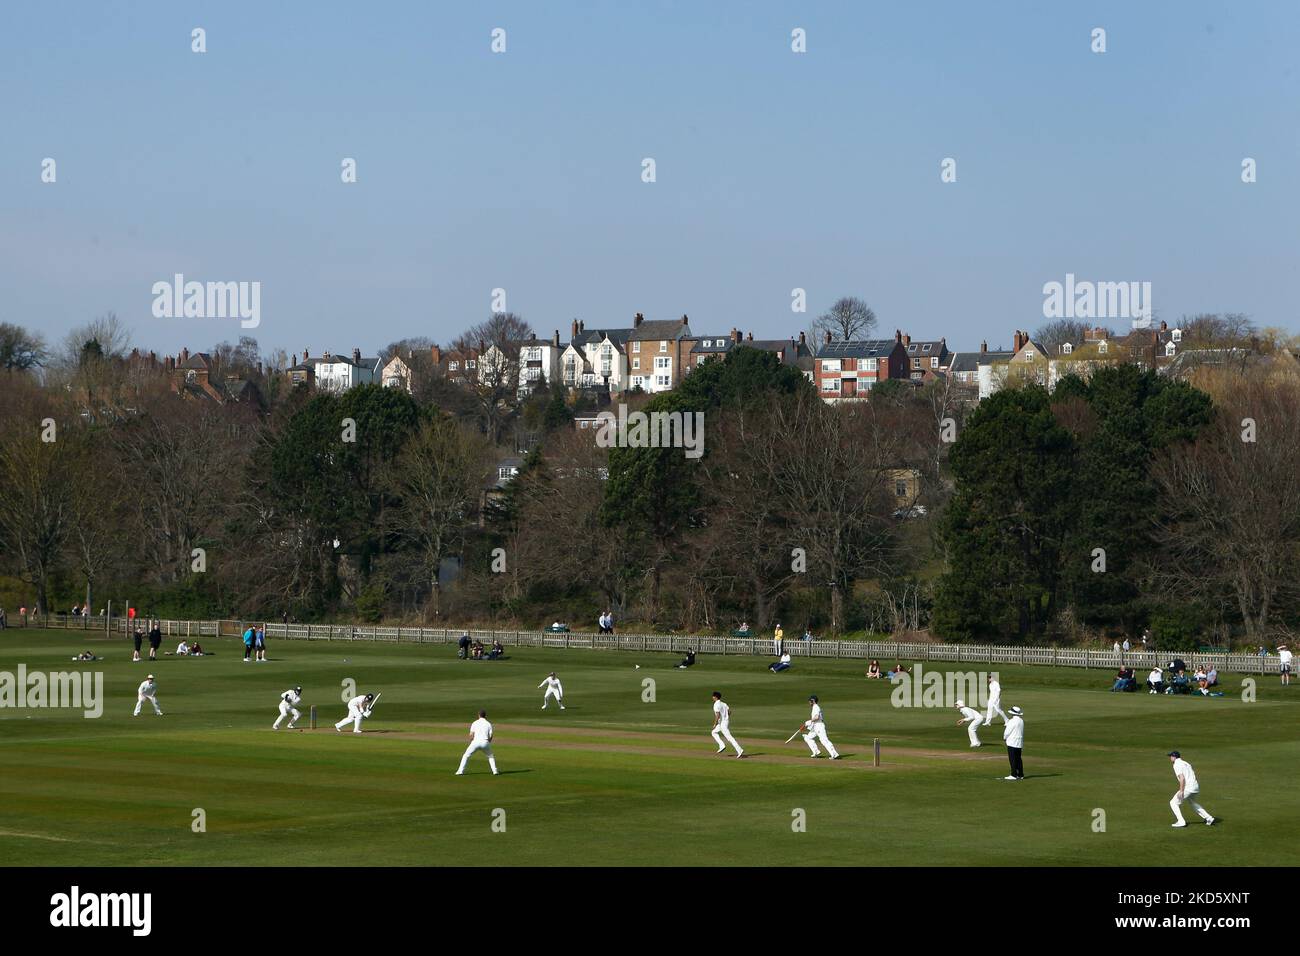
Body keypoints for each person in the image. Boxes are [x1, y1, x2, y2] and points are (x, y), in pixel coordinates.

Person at [1167, 751, 1215, 827]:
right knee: (1192, 802)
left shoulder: (1176, 764)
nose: (1170, 758)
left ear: (1174, 757)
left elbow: (1182, 778)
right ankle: (1209, 818)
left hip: (1188, 787)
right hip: (1195, 786)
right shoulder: (1186, 763)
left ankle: (1181, 821)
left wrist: (1181, 791)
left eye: (1171, 756)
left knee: (1173, 803)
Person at [455, 709, 499, 775]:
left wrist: (472, 742)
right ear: (485, 716)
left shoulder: (475, 723)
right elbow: (491, 735)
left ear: (478, 715)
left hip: (475, 742)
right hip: (485, 742)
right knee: (490, 756)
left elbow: (471, 734)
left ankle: (460, 771)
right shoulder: (488, 724)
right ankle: (495, 771)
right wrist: (488, 742)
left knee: (466, 756)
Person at [710, 692, 744, 757]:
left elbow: (718, 715)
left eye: (713, 696)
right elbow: (729, 712)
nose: (712, 697)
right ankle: (722, 745)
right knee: (714, 732)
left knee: (729, 738)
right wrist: (726, 717)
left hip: (722, 724)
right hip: (725, 722)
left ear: (715, 697)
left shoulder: (716, 704)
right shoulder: (724, 704)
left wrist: (715, 724)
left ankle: (739, 750)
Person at [1002, 706, 1025, 780]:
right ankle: (1020, 774)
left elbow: (1007, 732)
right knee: (1018, 759)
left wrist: (1004, 738)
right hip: (1019, 742)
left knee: (1012, 759)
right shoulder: (1021, 720)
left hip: (1012, 742)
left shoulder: (1012, 721)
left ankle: (1013, 775)